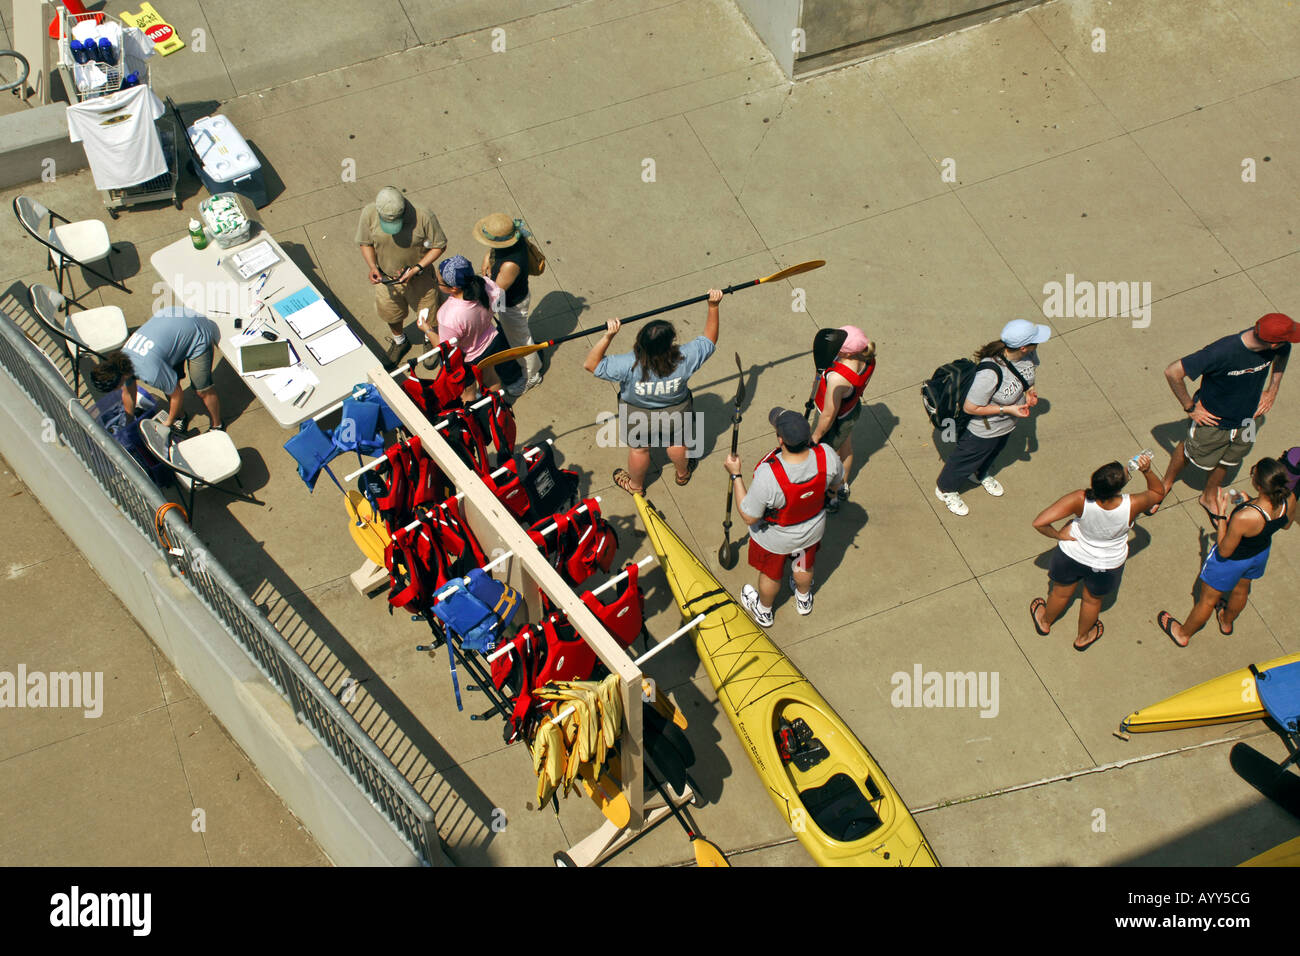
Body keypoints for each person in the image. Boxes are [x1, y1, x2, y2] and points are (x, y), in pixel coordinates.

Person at [1154, 313, 1296, 522]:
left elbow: (1285, 353)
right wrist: (1190, 407)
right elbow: (1172, 372)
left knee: (1231, 457)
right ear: (1273, 343)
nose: (1288, 343)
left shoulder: (1279, 346)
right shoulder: (1222, 351)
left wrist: (1272, 390)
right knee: (1189, 450)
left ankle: (1209, 496)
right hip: (1215, 420)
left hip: (1249, 420)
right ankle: (1165, 484)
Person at [584, 290, 722, 494]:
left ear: (641, 342)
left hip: (637, 414)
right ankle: (682, 474)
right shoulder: (685, 358)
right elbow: (710, 339)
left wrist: (608, 336)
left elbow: (591, 364)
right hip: (676, 412)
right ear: (670, 342)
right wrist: (713, 306)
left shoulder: (626, 364)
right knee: (677, 442)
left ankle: (636, 486)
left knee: (639, 449)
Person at [1029, 455, 1165, 650]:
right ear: (1118, 489)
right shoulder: (1132, 504)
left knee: (1059, 593)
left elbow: (1039, 522)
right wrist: (1147, 471)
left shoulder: (1080, 499)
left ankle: (1045, 622)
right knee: (1092, 602)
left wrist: (1059, 535)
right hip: (1106, 564)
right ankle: (1082, 638)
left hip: (1071, 555)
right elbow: (1157, 492)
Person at [725, 408, 845, 627]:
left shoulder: (768, 474)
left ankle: (763, 610)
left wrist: (736, 475)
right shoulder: (826, 454)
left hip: (776, 540)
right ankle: (803, 598)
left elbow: (749, 517)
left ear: (780, 440)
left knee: (771, 574)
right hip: (811, 531)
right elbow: (836, 484)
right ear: (808, 436)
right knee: (803, 566)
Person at [1158, 457, 1296, 647]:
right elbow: (1285, 525)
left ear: (1259, 485)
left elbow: (1224, 551)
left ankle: (1182, 634)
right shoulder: (1289, 499)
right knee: (1241, 589)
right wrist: (1248, 502)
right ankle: (1226, 622)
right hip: (1259, 554)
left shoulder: (1245, 517)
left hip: (1232, 562)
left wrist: (1222, 515)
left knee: (1207, 600)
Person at [934, 319, 1049, 516]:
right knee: (963, 461)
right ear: (1022, 347)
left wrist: (1030, 391)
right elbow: (971, 407)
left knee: (994, 452)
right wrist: (1008, 410)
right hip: (983, 430)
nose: (1037, 345)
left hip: (1007, 425)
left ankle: (980, 474)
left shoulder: (1029, 355)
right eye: (1035, 341)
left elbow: (1028, 377)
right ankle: (946, 489)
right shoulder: (990, 373)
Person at [91, 307, 224, 431]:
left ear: (122, 377)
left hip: (197, 331)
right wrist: (129, 422)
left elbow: (177, 395)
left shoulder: (150, 373)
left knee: (202, 390)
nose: (117, 389)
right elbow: (128, 393)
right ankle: (181, 416)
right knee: (168, 384)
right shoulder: (120, 363)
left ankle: (217, 425)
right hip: (173, 320)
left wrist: (168, 422)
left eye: (116, 387)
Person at [356, 186, 446, 368]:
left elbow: (439, 245)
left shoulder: (424, 216)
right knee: (391, 314)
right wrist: (373, 266)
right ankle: (400, 341)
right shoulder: (369, 213)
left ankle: (429, 339)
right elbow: (365, 243)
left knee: (427, 313)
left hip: (420, 279)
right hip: (386, 279)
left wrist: (417, 268)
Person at [418, 255, 524, 394]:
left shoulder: (448, 316)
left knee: (468, 390)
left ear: (454, 288)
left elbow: (446, 349)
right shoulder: (486, 285)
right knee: (491, 377)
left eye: (439, 282)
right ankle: (497, 404)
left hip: (469, 358)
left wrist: (427, 329)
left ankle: (474, 412)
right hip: (492, 343)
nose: (437, 284)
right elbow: (500, 303)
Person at [809, 325, 875, 512]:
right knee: (846, 449)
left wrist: (816, 436)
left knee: (828, 460)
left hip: (835, 421)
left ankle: (832, 496)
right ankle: (843, 485)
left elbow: (829, 413)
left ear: (845, 354)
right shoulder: (868, 358)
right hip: (852, 410)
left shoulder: (839, 378)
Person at [475, 212, 541, 397]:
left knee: (521, 341)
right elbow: (494, 249)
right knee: (513, 334)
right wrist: (488, 257)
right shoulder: (513, 239)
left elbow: (495, 291)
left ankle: (532, 375)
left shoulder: (511, 265)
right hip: (508, 301)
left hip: (513, 305)